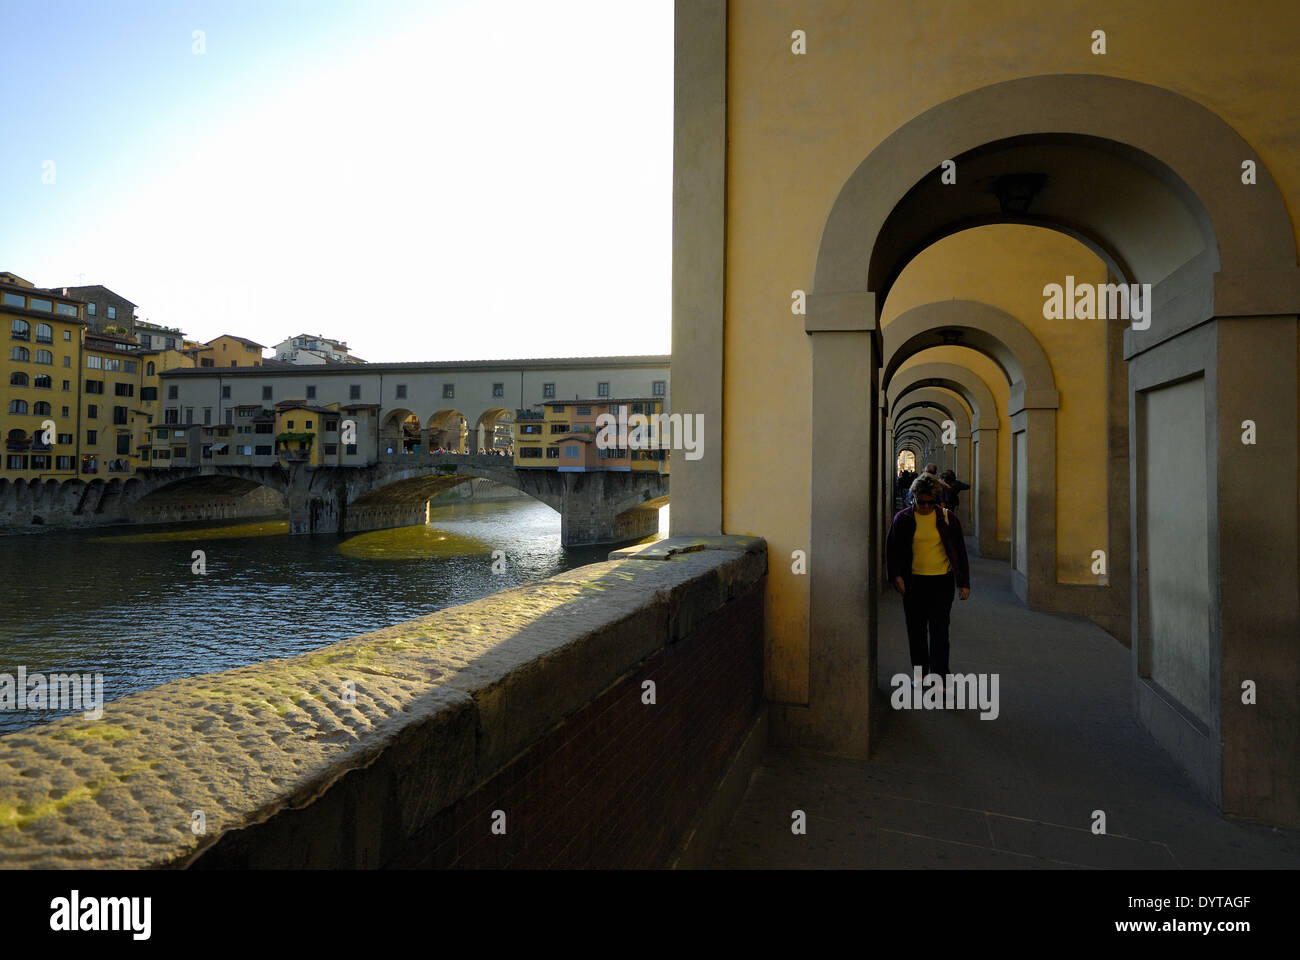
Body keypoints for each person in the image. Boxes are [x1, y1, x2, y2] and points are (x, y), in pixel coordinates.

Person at [886, 473, 971, 684]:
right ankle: (920, 674)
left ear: (936, 499)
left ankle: (940, 677)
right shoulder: (903, 519)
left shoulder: (947, 518)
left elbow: (959, 550)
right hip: (914, 583)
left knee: (940, 632)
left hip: (941, 582)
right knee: (916, 632)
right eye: (920, 502)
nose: (925, 506)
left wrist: (963, 582)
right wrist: (896, 576)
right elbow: (892, 550)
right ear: (913, 497)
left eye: (930, 502)